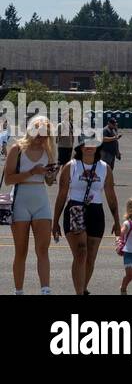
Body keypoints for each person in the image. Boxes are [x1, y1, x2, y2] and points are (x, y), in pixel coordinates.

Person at [53, 138, 121, 295]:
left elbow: (111, 196)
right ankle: (79, 292)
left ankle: (83, 288)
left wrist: (117, 222)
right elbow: (61, 195)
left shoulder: (105, 168)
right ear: (81, 148)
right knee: (81, 252)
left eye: (93, 144)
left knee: (90, 256)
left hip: (96, 211)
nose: (89, 147)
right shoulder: (71, 166)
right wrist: (55, 221)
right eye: (86, 145)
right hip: (75, 209)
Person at [5, 117, 55, 294]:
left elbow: (49, 182)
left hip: (41, 199)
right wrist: (31, 172)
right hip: (20, 198)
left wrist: (50, 175)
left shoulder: (48, 151)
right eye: (39, 134)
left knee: (43, 248)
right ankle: (19, 290)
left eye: (45, 136)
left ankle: (45, 289)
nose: (41, 139)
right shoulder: (17, 149)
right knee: (21, 250)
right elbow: (9, 179)